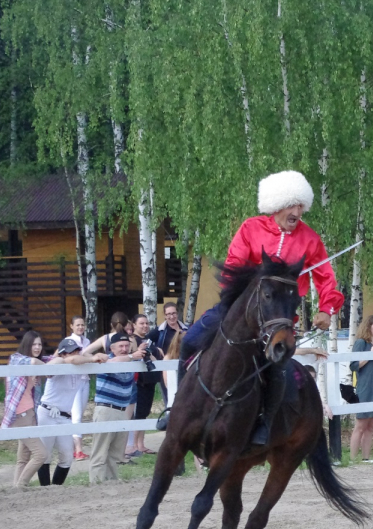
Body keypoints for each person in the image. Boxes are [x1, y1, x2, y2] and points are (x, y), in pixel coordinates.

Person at [162, 170, 343, 446]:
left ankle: (265, 424)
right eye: (294, 205)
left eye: (302, 206)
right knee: (191, 341)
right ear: (277, 205)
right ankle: (177, 409)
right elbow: (234, 267)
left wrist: (327, 310)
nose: (299, 212)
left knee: (278, 366)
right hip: (237, 310)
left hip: (278, 322)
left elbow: (326, 278)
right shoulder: (251, 228)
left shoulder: (310, 239)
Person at [37, 338, 109, 485]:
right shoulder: (60, 363)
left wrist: (94, 357)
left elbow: (82, 357)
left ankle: (57, 486)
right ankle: (44, 488)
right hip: (47, 412)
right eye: (70, 351)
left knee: (67, 456)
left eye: (76, 350)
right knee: (46, 454)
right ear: (63, 354)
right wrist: (93, 358)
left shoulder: (80, 366)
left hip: (64, 415)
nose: (74, 354)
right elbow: (71, 360)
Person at [89, 332, 149, 483]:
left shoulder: (130, 361)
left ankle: (111, 482)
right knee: (100, 452)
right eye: (120, 346)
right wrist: (132, 356)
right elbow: (114, 363)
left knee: (114, 453)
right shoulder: (106, 359)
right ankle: (96, 483)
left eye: (126, 346)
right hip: (106, 409)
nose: (124, 349)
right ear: (112, 348)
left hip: (122, 410)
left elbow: (154, 361)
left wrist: (145, 352)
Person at [2, 332, 51, 487]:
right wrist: (48, 370)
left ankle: (15, 491)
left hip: (30, 413)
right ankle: (21, 485)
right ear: (27, 345)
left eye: (39, 344)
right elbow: (33, 362)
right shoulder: (17, 359)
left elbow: (52, 359)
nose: (37, 347)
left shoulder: (37, 361)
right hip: (19, 414)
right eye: (34, 344)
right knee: (41, 454)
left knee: (23, 456)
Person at [349, 315, 373, 463]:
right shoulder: (360, 343)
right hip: (365, 388)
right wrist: (369, 356)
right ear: (369, 327)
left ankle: (366, 458)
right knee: (361, 424)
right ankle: (352, 458)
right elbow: (353, 365)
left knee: (371, 425)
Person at [127, 313, 160, 458]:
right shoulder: (132, 340)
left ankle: (141, 444)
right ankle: (133, 445)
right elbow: (130, 356)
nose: (145, 326)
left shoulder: (149, 340)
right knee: (138, 413)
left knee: (144, 413)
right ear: (134, 325)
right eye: (142, 323)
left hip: (150, 380)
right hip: (138, 381)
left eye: (146, 323)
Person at [64, 316, 92, 461]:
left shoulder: (87, 342)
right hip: (73, 380)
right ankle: (78, 449)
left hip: (84, 379)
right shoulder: (69, 341)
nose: (80, 327)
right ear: (71, 326)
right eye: (78, 325)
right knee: (76, 415)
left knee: (79, 412)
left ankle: (72, 446)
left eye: (82, 325)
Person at [152, 302, 187, 407]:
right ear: (165, 315)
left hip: (184, 367)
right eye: (169, 314)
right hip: (167, 370)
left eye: (174, 313)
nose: (172, 317)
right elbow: (145, 343)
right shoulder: (160, 331)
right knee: (170, 400)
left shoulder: (186, 329)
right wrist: (156, 349)